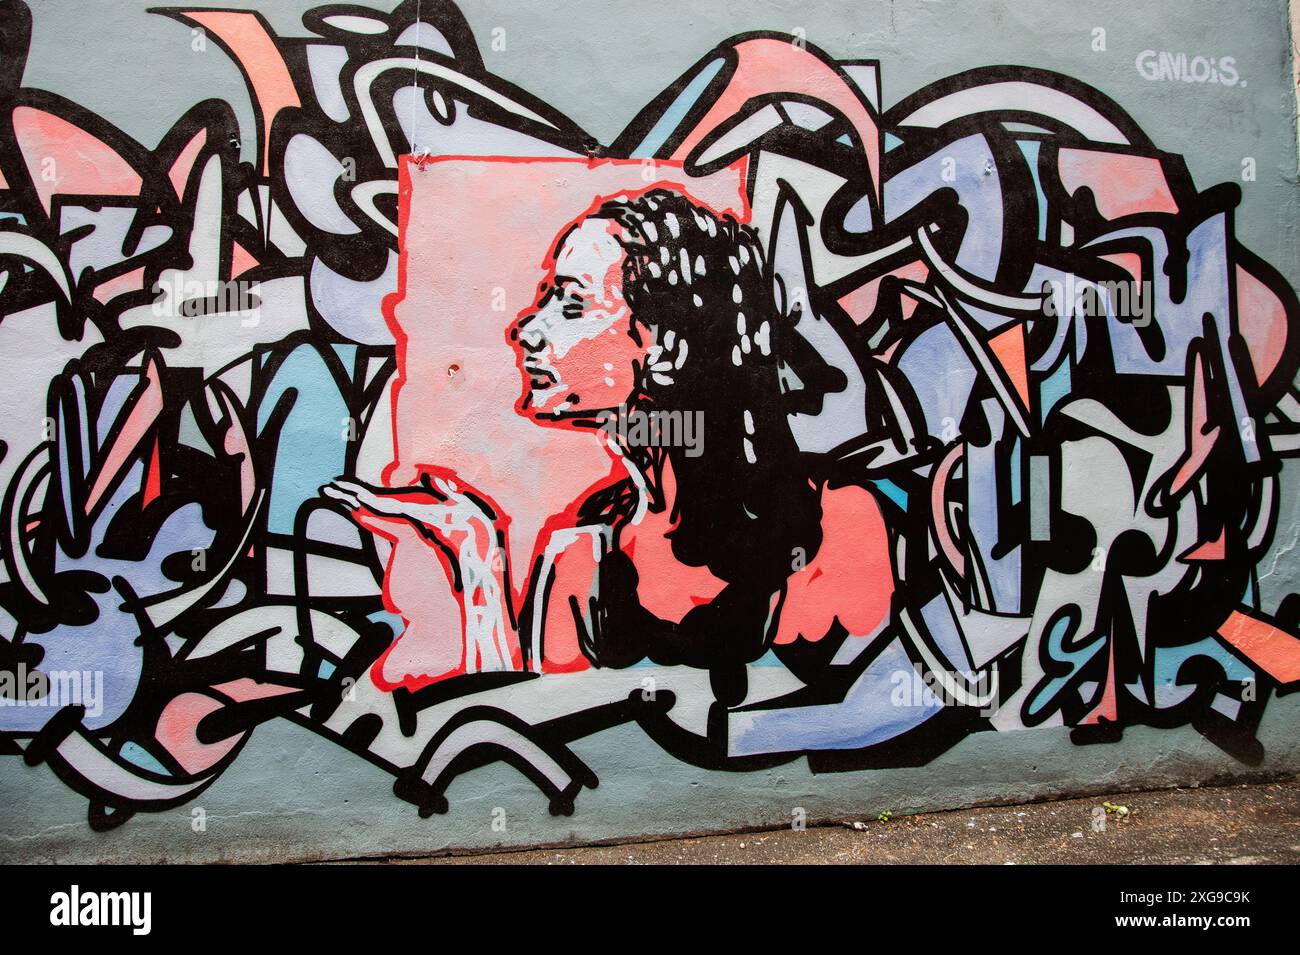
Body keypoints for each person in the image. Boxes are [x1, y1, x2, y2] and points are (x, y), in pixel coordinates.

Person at [324, 188, 893, 704]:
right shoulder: (585, 551)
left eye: (570, 305)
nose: (524, 328)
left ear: (665, 348)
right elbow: (527, 726)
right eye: (544, 299)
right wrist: (474, 559)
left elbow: (857, 713)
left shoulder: (833, 522)